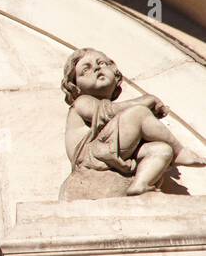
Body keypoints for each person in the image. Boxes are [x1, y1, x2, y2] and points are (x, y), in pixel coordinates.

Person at [60, 48, 205, 198]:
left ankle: (141, 184)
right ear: (75, 87)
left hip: (108, 153)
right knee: (138, 113)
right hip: (92, 157)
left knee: (161, 150)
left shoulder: (114, 116)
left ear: (115, 74)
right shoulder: (81, 102)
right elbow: (108, 112)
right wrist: (145, 101)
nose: (96, 68)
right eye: (86, 69)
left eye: (101, 63)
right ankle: (180, 151)